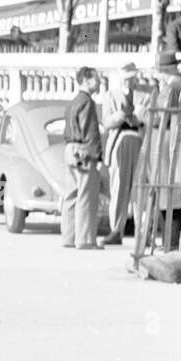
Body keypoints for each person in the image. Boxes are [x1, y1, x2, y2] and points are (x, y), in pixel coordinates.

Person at [100, 62, 142, 246]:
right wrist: (122, 115)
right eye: (127, 77)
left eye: (133, 77)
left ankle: (143, 231)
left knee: (141, 187)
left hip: (139, 140)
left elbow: (149, 117)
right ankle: (116, 229)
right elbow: (107, 121)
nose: (131, 81)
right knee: (119, 187)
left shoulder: (145, 94)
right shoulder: (111, 95)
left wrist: (137, 118)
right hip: (120, 140)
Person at [61, 66, 103, 250]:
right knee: (86, 196)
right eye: (96, 79)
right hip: (84, 151)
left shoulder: (73, 102)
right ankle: (84, 239)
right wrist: (97, 156)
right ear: (86, 80)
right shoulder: (88, 103)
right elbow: (90, 132)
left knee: (71, 195)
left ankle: (69, 237)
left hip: (69, 149)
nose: (99, 82)